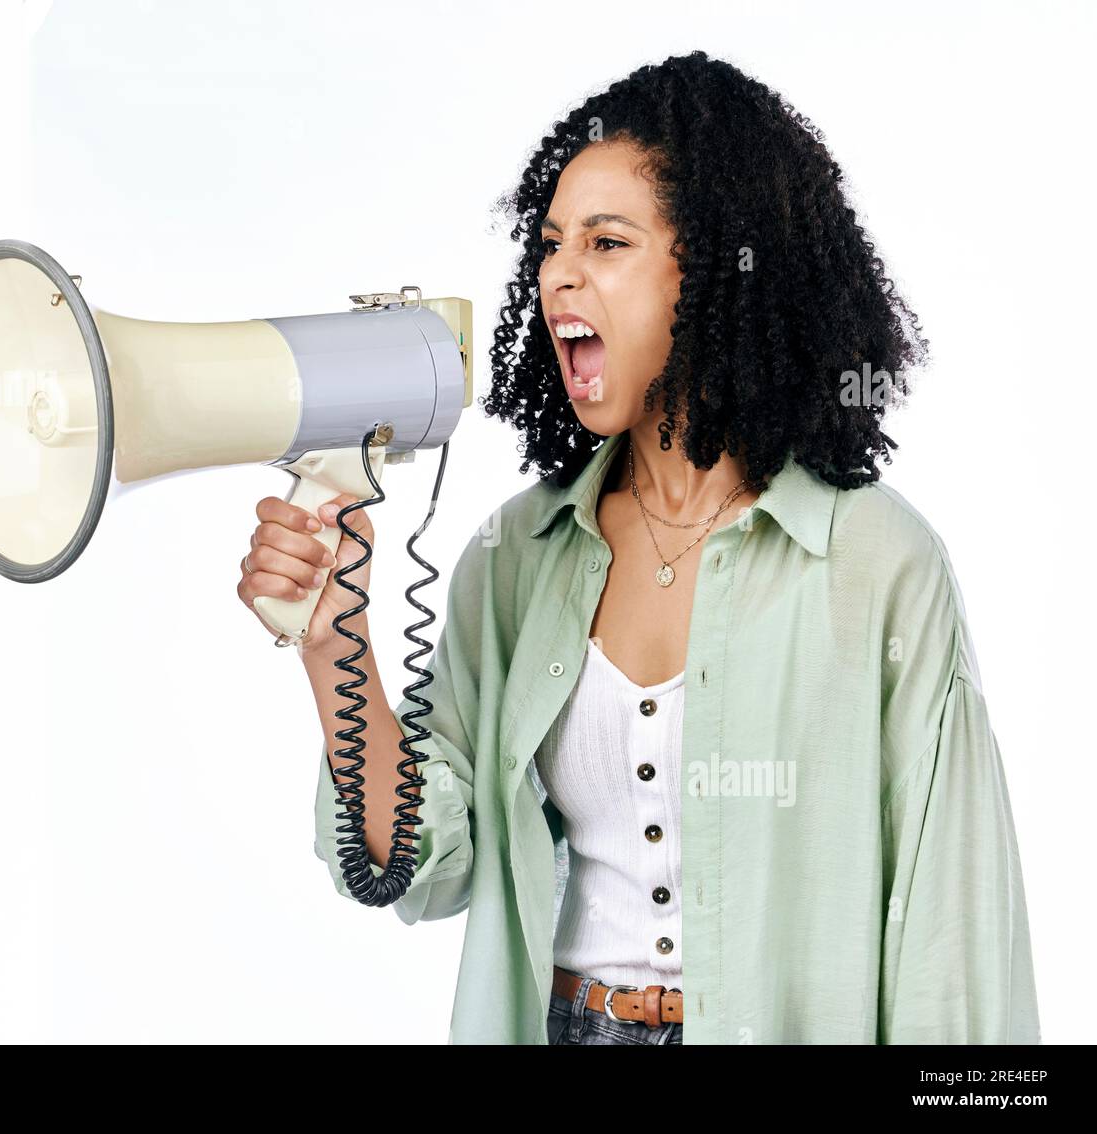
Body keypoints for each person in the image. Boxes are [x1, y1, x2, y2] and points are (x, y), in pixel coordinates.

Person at [238, 50, 1040, 1045]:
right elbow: (418, 863)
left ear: (709, 272)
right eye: (550, 246)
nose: (559, 274)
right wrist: (335, 643)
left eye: (606, 243)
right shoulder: (519, 558)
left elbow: (950, 939)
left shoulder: (878, 563)